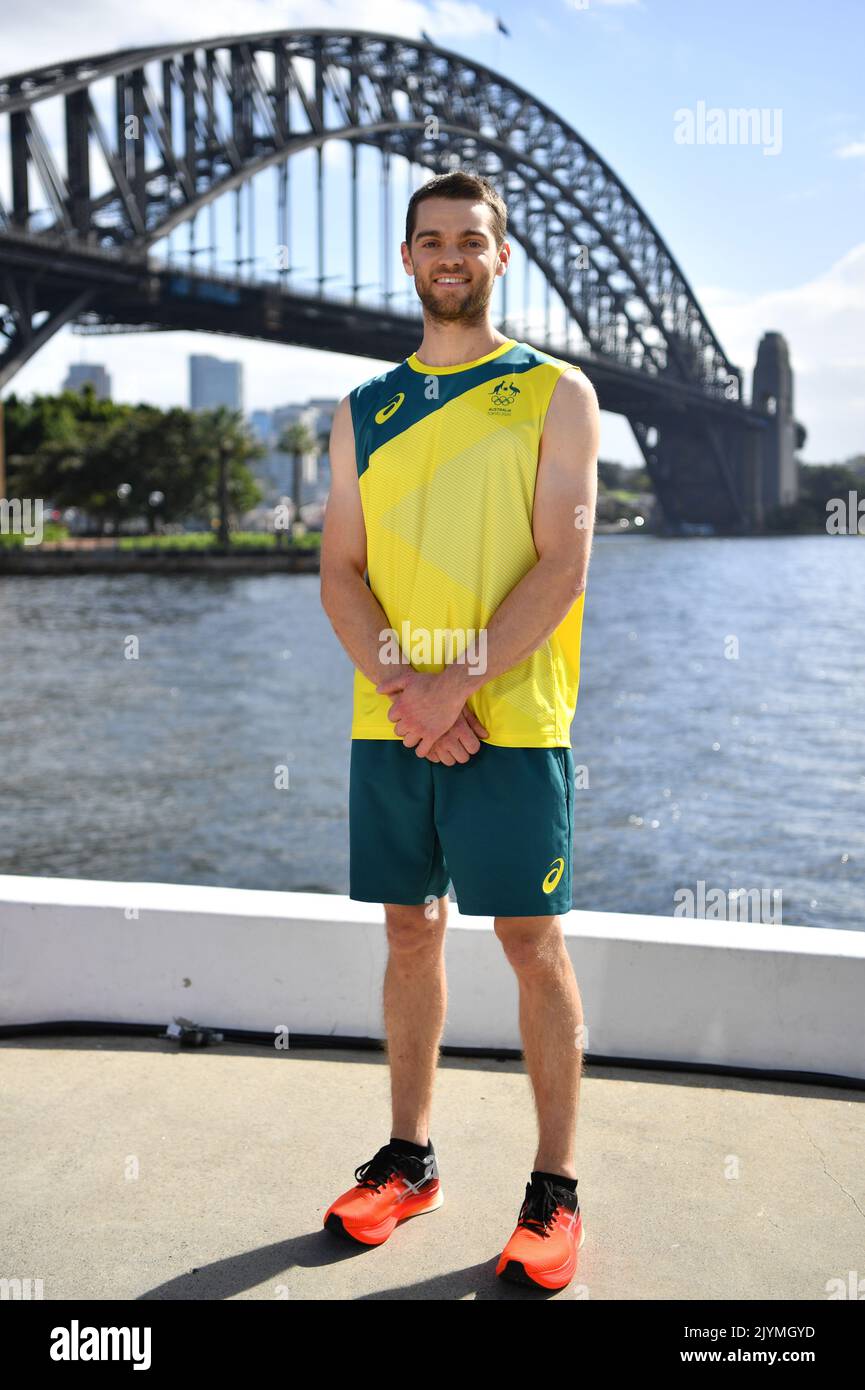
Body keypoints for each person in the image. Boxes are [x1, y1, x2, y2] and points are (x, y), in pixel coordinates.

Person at [319, 168, 599, 1290]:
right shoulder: (360, 411)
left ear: (500, 256)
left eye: (470, 240)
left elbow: (563, 562)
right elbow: (339, 568)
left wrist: (458, 690)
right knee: (407, 931)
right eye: (430, 239)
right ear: (406, 259)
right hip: (392, 720)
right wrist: (408, 692)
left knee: (530, 943)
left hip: (513, 720)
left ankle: (555, 1188)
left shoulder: (554, 392)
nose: (450, 255)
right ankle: (409, 1160)